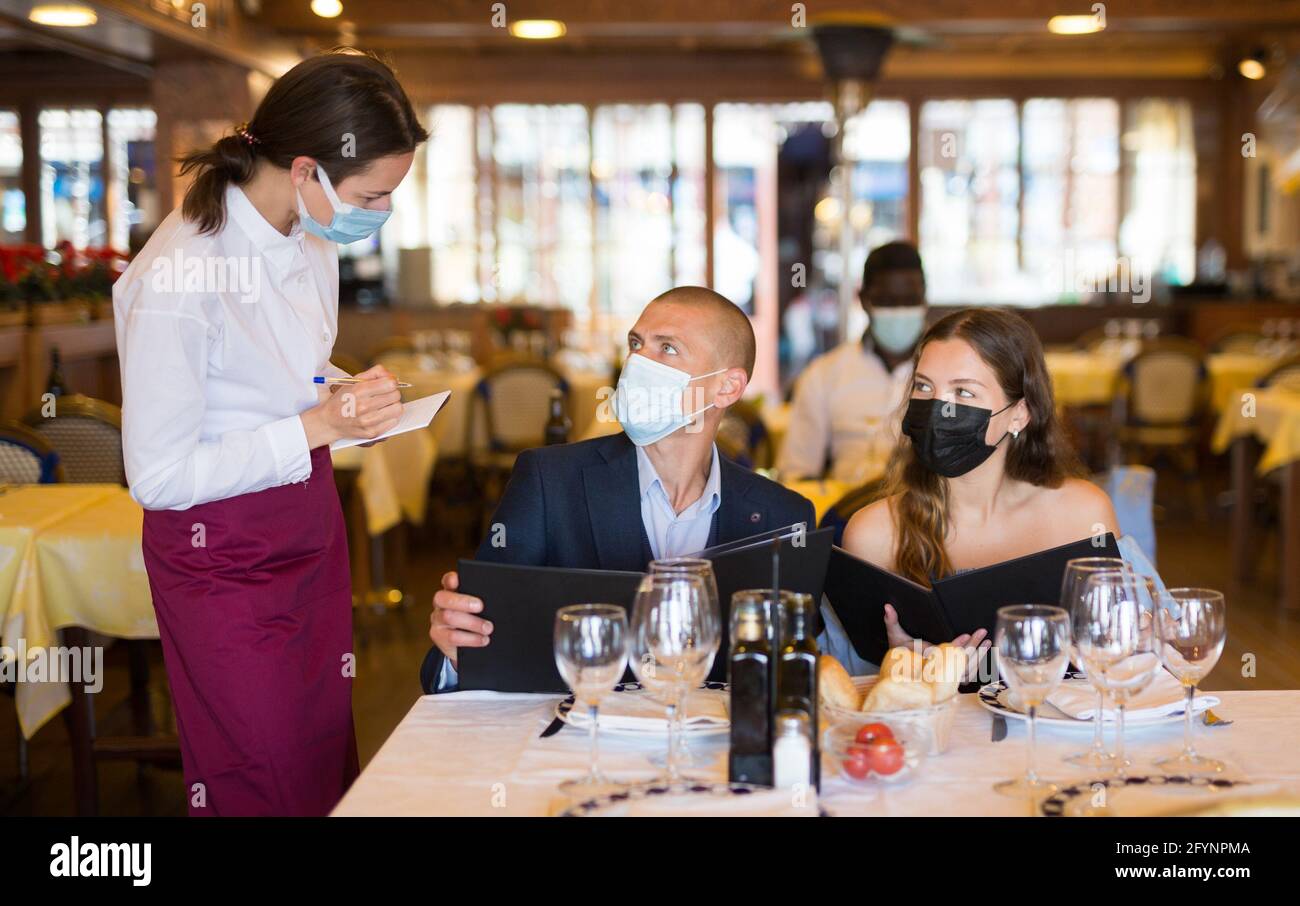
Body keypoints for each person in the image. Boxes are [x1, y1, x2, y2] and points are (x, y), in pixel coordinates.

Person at [115, 50, 428, 816]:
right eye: (372, 195)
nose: (381, 214)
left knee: (322, 761)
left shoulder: (305, 234)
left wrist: (346, 397)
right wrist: (317, 424)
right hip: (219, 555)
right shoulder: (179, 277)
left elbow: (283, 377)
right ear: (304, 169)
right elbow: (156, 477)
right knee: (260, 774)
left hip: (306, 528)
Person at [422, 287, 815, 693]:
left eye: (668, 349)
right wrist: (456, 649)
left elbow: (790, 679)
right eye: (636, 343)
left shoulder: (782, 517)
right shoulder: (550, 481)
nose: (637, 363)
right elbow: (477, 643)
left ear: (727, 387)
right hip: (577, 742)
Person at [842, 307, 1120, 660]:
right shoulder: (874, 534)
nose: (939, 408)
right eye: (924, 387)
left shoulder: (1084, 517)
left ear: (1020, 413)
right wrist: (895, 663)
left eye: (964, 393)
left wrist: (1132, 643)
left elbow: (1129, 657)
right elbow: (847, 693)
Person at [777, 241, 927, 483]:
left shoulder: (949, 375)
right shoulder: (824, 375)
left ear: (924, 300)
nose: (900, 310)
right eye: (888, 301)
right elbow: (797, 475)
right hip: (846, 516)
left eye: (910, 300)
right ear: (864, 299)